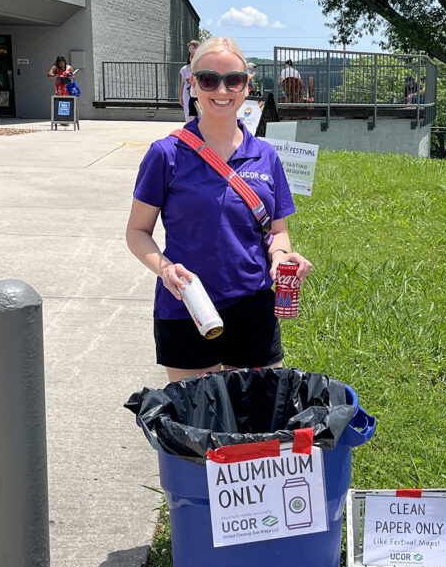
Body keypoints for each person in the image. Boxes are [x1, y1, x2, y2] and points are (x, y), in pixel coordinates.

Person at [126, 36, 313, 383]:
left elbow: (278, 231)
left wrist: (282, 256)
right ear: (193, 85)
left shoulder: (265, 156)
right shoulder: (165, 154)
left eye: (234, 80)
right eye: (209, 79)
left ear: (246, 87)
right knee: (199, 426)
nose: (222, 90)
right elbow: (137, 232)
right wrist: (165, 270)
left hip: (253, 304)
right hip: (188, 303)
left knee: (257, 423)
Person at [178, 39, 200, 121]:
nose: (190, 51)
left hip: (199, 94)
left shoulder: (202, 65)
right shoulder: (185, 69)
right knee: (189, 114)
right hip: (189, 94)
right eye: (190, 50)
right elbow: (182, 83)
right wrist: (180, 97)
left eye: (192, 49)